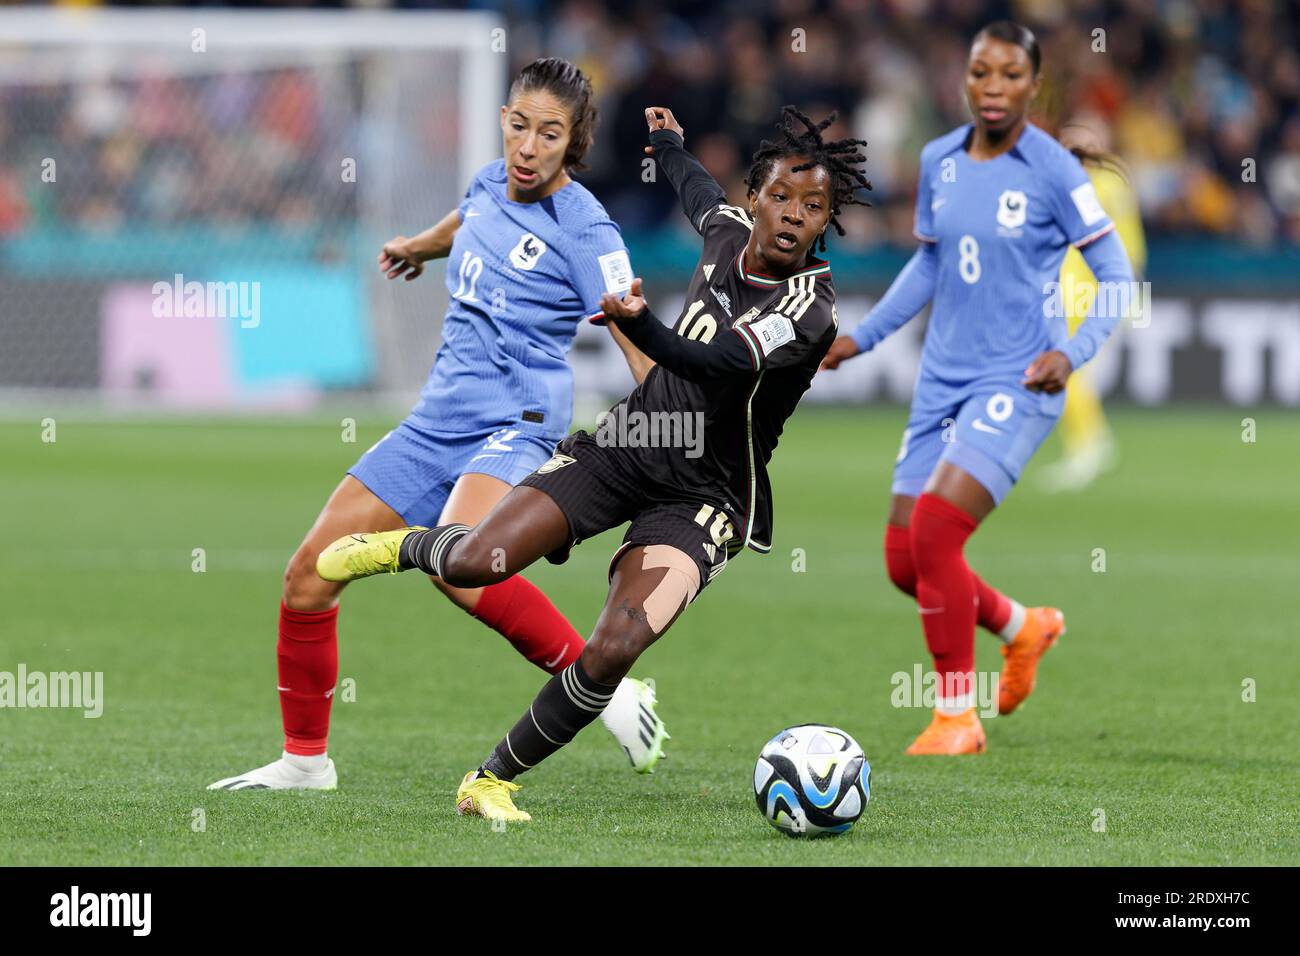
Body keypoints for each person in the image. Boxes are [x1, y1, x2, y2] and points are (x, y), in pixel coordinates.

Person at [315, 104, 870, 821]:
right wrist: (669, 143)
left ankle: (490, 780)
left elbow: (712, 364)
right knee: (473, 564)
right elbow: (697, 187)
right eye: (783, 198)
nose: (796, 215)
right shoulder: (725, 229)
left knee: (615, 645)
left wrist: (639, 324)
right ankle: (402, 548)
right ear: (754, 199)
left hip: (706, 500)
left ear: (828, 221)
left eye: (815, 206)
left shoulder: (809, 308)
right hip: (627, 445)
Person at [209, 58, 665, 792]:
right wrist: (419, 246)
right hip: (439, 417)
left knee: (460, 566)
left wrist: (678, 431)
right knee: (307, 577)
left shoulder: (588, 230)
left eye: (548, 134)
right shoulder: (489, 180)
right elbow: (472, 218)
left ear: (574, 138)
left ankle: (600, 684)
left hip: (518, 415)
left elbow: (637, 338)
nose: (527, 146)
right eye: (518, 125)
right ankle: (305, 764)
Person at [819, 21, 1135, 754]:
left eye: (1010, 76)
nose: (993, 89)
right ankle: (1025, 628)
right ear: (964, 78)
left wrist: (1071, 352)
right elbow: (930, 264)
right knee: (906, 562)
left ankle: (956, 717)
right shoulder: (940, 160)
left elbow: (1118, 279)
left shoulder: (1054, 169)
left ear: (1034, 84)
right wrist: (861, 338)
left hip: (1018, 378)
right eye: (981, 74)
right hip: (942, 382)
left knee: (935, 533)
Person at [1039, 115, 1147, 491]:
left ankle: (1089, 446)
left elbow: (1127, 240)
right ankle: (1091, 442)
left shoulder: (1105, 183)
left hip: (1089, 291)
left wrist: (1128, 291)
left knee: (1069, 368)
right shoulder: (1067, 181)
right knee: (1070, 370)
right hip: (1066, 290)